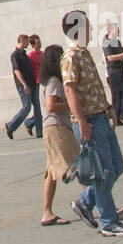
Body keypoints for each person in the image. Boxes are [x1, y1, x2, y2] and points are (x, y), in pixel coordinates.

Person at [61, 10, 123, 237]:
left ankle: (85, 202)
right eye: (88, 26)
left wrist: (109, 108)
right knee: (102, 173)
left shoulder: (84, 54)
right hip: (89, 121)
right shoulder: (70, 56)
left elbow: (92, 87)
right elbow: (70, 90)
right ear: (78, 30)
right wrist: (81, 121)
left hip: (100, 116)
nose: (91, 30)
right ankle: (108, 222)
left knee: (117, 166)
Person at [39, 44, 79, 226]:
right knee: (81, 164)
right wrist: (71, 104)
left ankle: (47, 212)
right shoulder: (54, 81)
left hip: (51, 128)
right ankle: (100, 204)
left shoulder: (46, 81)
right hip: (57, 128)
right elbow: (51, 106)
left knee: (52, 173)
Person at [4, 34, 42, 140]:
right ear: (21, 41)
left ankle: (40, 132)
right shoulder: (15, 55)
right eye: (26, 41)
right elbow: (17, 71)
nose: (28, 43)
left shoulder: (24, 54)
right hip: (24, 85)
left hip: (33, 83)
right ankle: (11, 126)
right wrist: (24, 84)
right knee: (27, 107)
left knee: (37, 108)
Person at [102, 24, 123, 125]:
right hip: (114, 72)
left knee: (119, 95)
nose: (118, 32)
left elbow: (121, 57)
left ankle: (118, 117)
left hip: (120, 70)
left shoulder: (117, 42)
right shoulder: (107, 42)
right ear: (110, 32)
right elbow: (110, 58)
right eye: (116, 30)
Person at [24, 33, 43, 135]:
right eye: (37, 43)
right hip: (35, 83)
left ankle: (30, 122)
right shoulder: (30, 56)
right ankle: (30, 122)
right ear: (32, 45)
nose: (39, 44)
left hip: (43, 81)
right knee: (39, 107)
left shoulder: (42, 53)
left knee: (41, 107)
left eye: (40, 42)